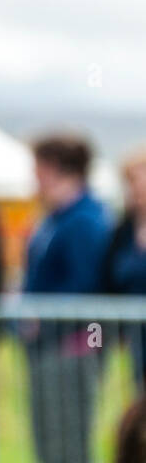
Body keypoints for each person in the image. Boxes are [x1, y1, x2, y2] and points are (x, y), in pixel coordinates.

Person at [23, 134, 112, 463]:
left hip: (71, 350)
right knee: (51, 450)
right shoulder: (56, 219)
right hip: (48, 352)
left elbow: (88, 284)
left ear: (55, 167)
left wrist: (43, 315)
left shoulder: (85, 221)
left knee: (69, 451)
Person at [102, 145, 146, 388]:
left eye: (138, 181)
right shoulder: (123, 232)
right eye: (129, 183)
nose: (134, 190)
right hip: (137, 342)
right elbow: (109, 279)